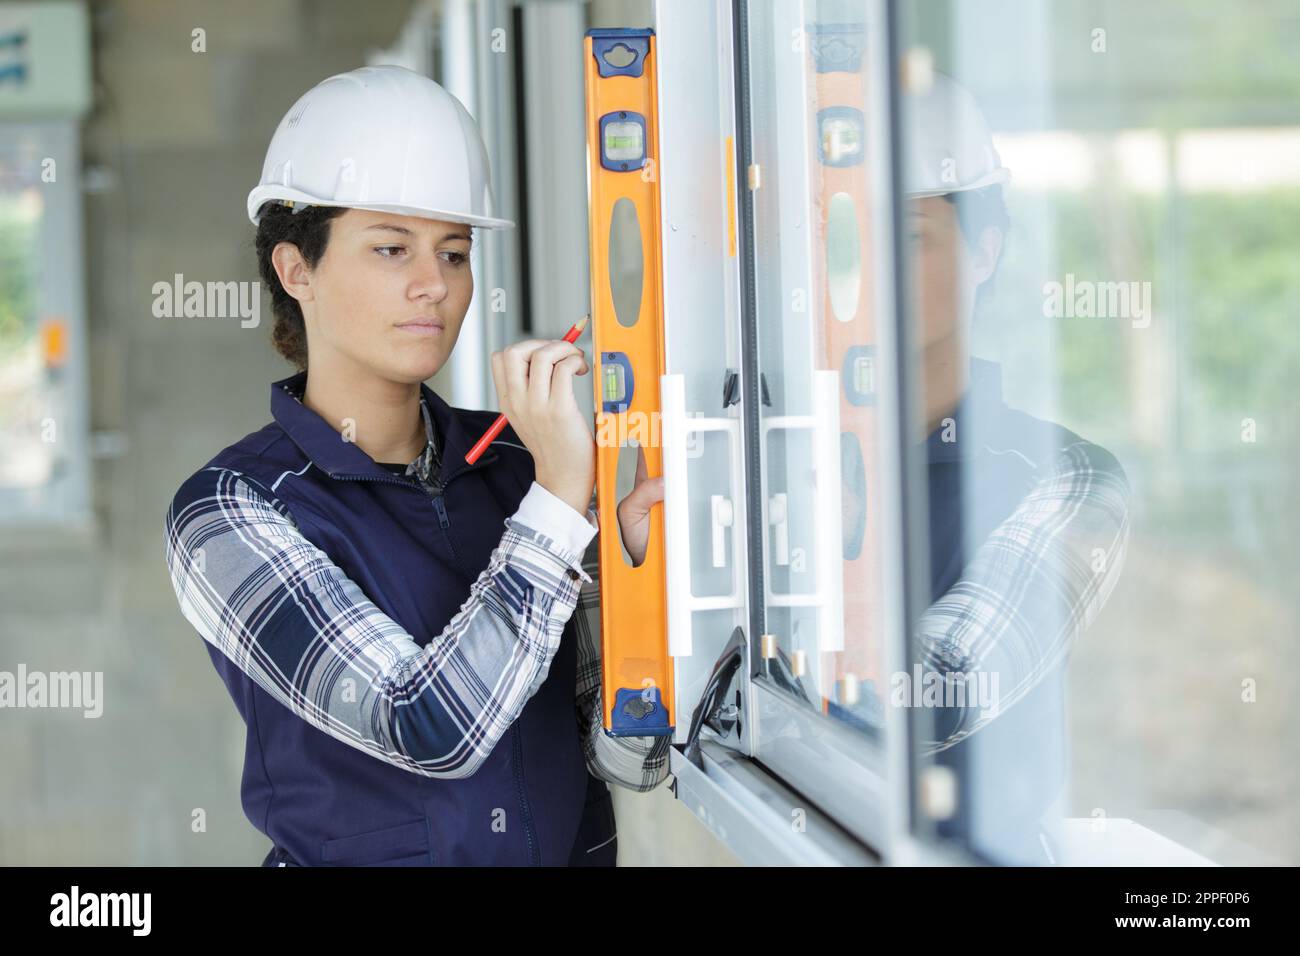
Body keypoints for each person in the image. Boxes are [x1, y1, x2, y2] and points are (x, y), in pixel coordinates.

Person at [163, 64, 669, 867]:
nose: (433, 285)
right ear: (298, 271)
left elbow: (625, 760)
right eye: (392, 248)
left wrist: (634, 589)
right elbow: (424, 725)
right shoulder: (229, 511)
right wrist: (559, 506)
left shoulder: (519, 464)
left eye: (456, 253)